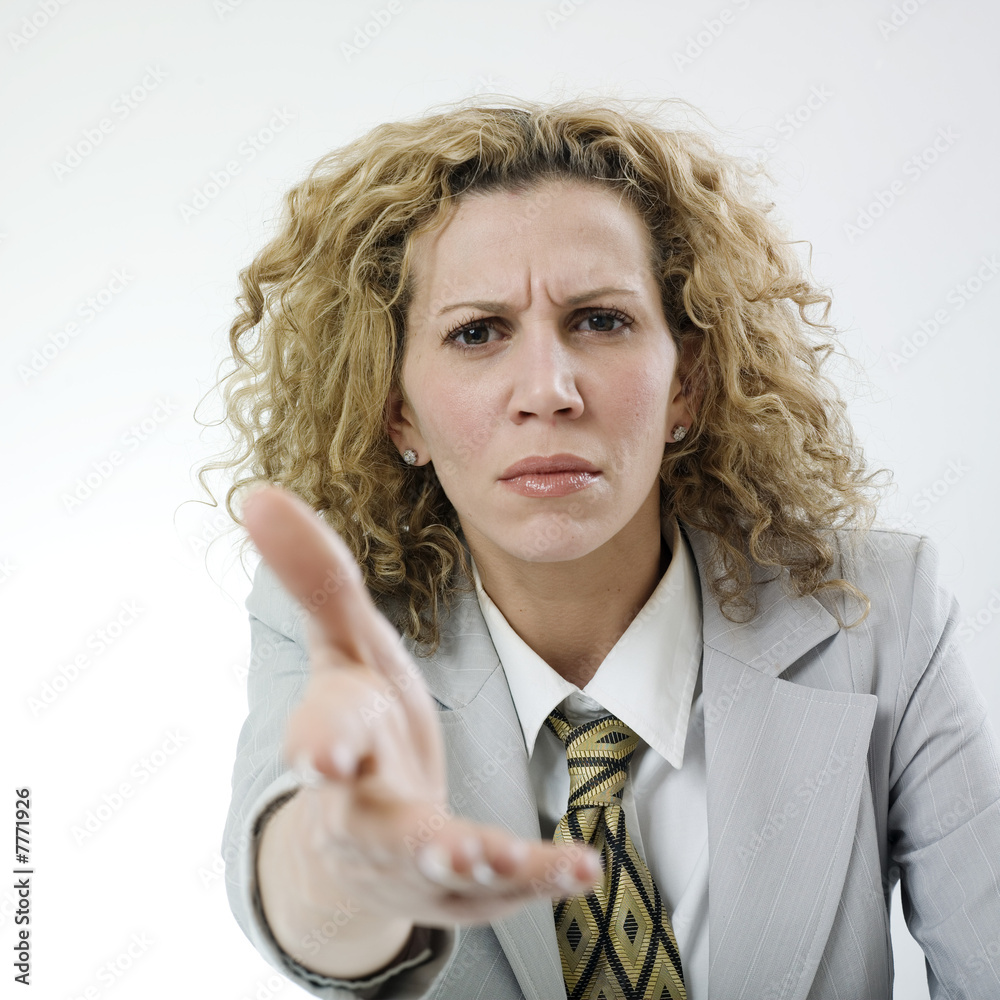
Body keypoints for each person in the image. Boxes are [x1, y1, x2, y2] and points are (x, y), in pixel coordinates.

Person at [205, 96, 1000, 999]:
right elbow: (308, 910)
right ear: (398, 412)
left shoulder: (881, 612)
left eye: (600, 321)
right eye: (477, 333)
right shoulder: (331, 619)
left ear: (687, 383)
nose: (548, 390)